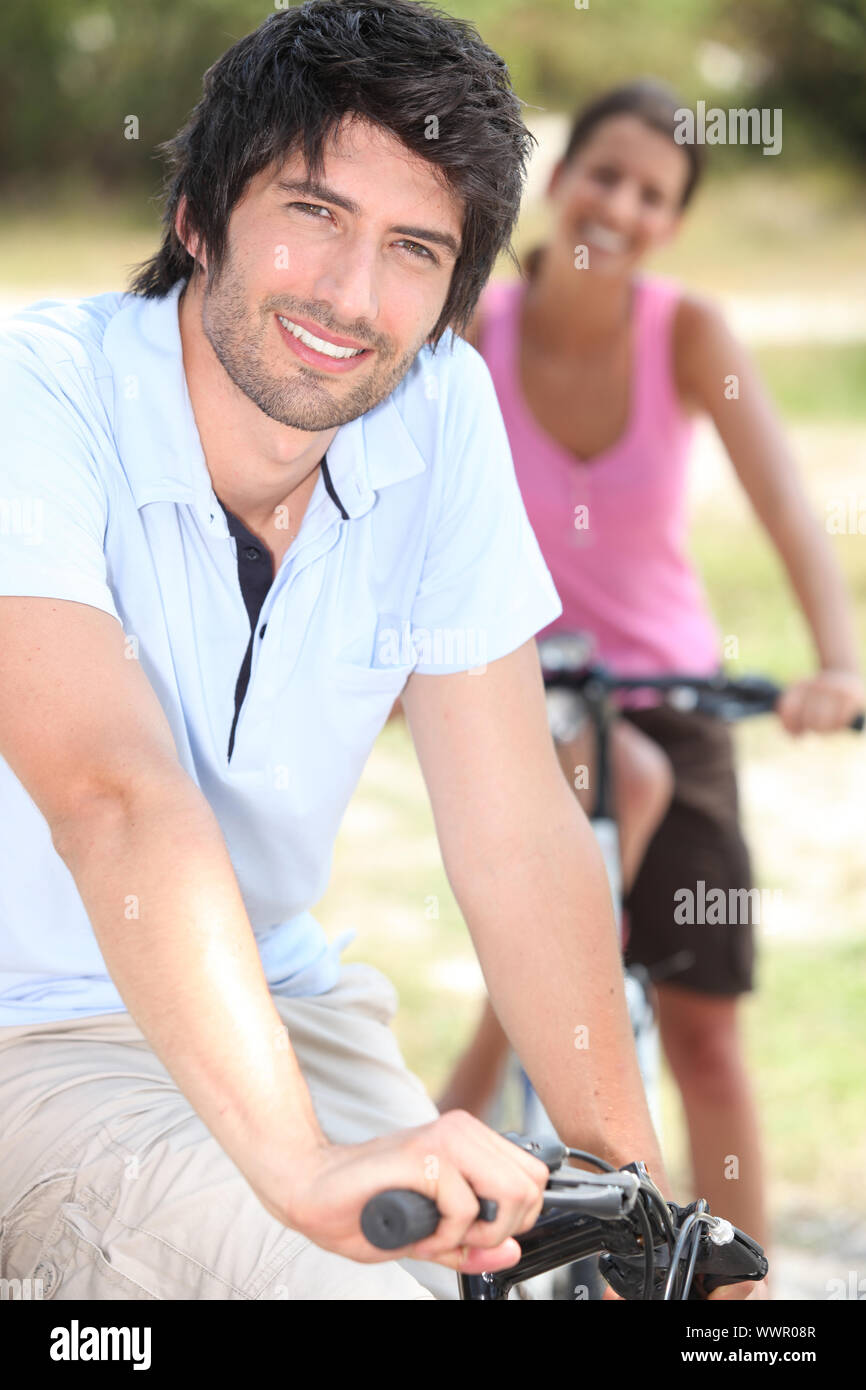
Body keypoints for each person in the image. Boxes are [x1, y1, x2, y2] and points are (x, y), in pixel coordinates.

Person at [0, 6, 760, 1303]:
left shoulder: (438, 404)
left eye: (414, 248)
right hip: (32, 1024)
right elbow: (110, 794)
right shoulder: (34, 395)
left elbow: (517, 821)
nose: (352, 298)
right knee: (339, 1287)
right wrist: (296, 1170)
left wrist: (640, 1210)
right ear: (196, 215)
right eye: (313, 212)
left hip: (284, 994)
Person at [436, 80, 864, 1273]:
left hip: (672, 701)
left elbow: (785, 501)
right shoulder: (478, 332)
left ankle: (737, 1303)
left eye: (651, 193)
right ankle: (493, 1141)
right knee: (584, 840)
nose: (617, 205)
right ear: (560, 180)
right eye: (602, 175)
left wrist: (834, 664)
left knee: (704, 1041)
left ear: (670, 220)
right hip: (527, 706)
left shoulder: (686, 335)